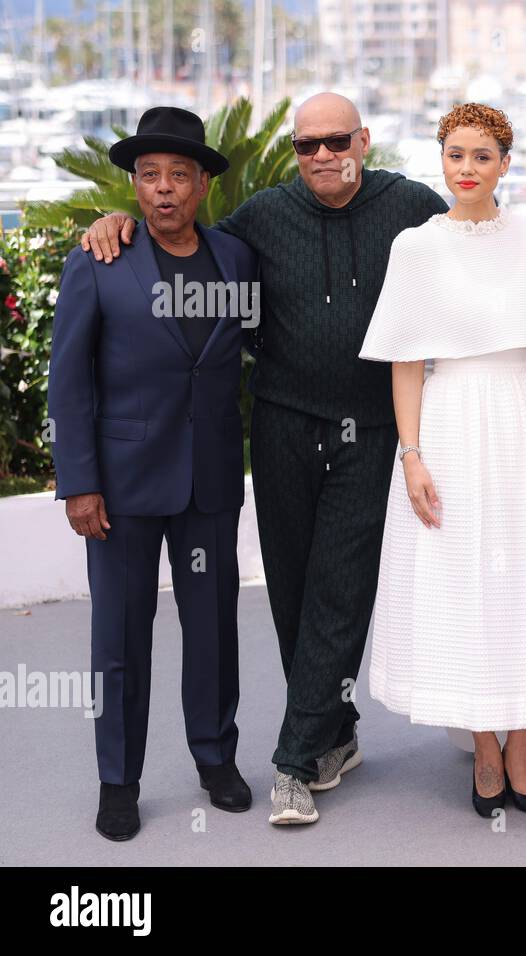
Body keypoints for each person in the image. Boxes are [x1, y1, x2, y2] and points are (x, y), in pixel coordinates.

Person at [80, 92, 451, 825]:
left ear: (364, 140)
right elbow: (88, 357)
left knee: (314, 597)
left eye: (335, 141)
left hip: (337, 439)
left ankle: (274, 761)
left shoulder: (403, 206)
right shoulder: (229, 228)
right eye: (306, 145)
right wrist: (113, 221)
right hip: (251, 441)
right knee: (274, 596)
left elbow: (471, 238)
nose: (321, 155)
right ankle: (317, 739)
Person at [358, 103, 526, 817]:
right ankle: (483, 748)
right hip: (450, 422)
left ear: (505, 164)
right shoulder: (416, 246)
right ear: (442, 159)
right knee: (462, 590)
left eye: (482, 156)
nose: (467, 169)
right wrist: (412, 455)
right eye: (456, 154)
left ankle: (521, 749)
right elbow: (403, 359)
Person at [49, 107, 259, 840]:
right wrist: (78, 480)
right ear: (134, 184)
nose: (162, 189)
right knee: (119, 637)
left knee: (213, 631)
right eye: (147, 176)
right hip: (121, 485)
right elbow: (67, 380)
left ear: (203, 185)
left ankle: (215, 757)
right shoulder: (99, 259)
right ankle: (119, 780)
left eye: (177, 175)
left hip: (207, 482)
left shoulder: (235, 261)